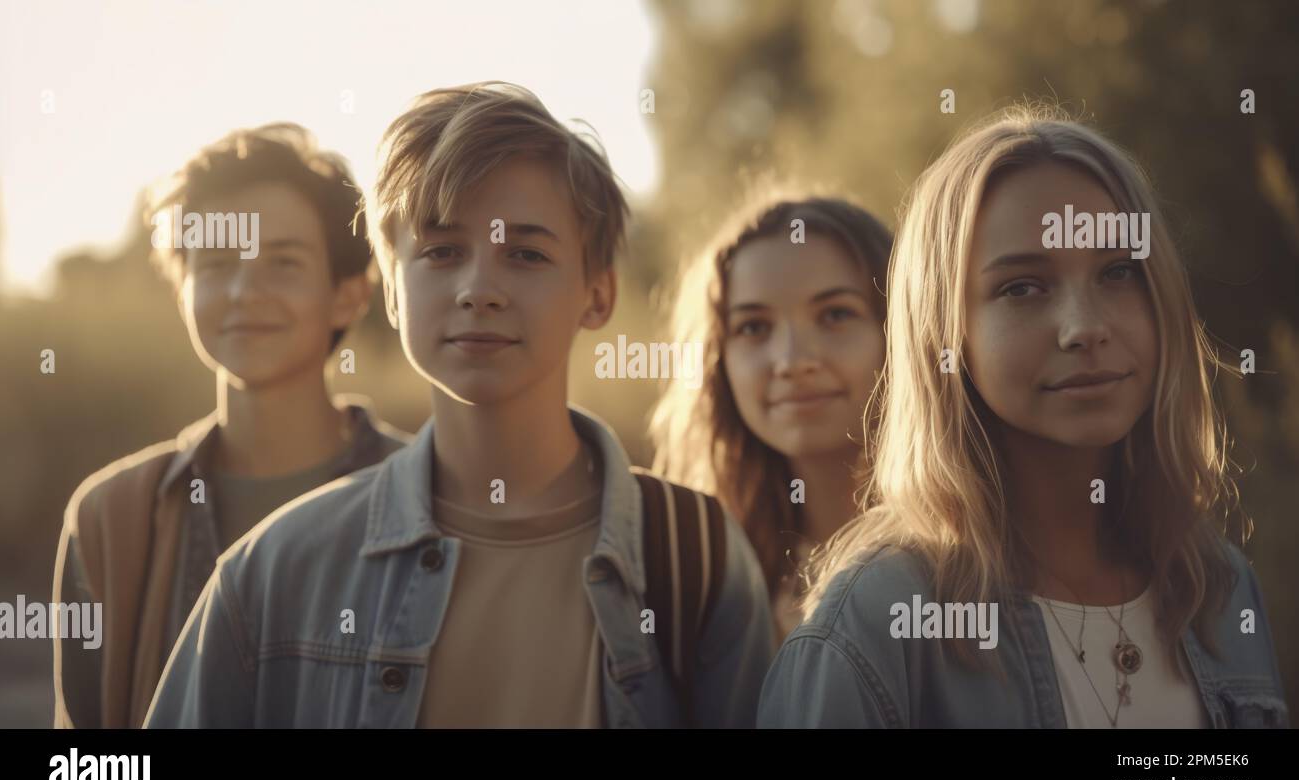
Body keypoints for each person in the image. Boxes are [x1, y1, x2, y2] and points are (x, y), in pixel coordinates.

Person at [145, 82, 775, 729]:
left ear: (597, 293)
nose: (478, 288)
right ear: (393, 293)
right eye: (442, 252)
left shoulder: (693, 555)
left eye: (526, 254)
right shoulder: (277, 569)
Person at [758, 106, 1288, 728]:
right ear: (945, 334)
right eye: (1022, 287)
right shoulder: (876, 625)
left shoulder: (1219, 588)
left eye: (1118, 272)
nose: (1085, 327)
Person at [52, 123, 410, 728]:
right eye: (217, 263)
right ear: (181, 287)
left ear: (349, 294)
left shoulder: (429, 496)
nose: (245, 290)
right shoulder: (112, 517)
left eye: (283, 262)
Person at [650, 193, 891, 642]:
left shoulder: (977, 562)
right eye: (754, 327)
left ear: (898, 330)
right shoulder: (697, 580)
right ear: (718, 363)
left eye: (836, 314)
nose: (792, 360)